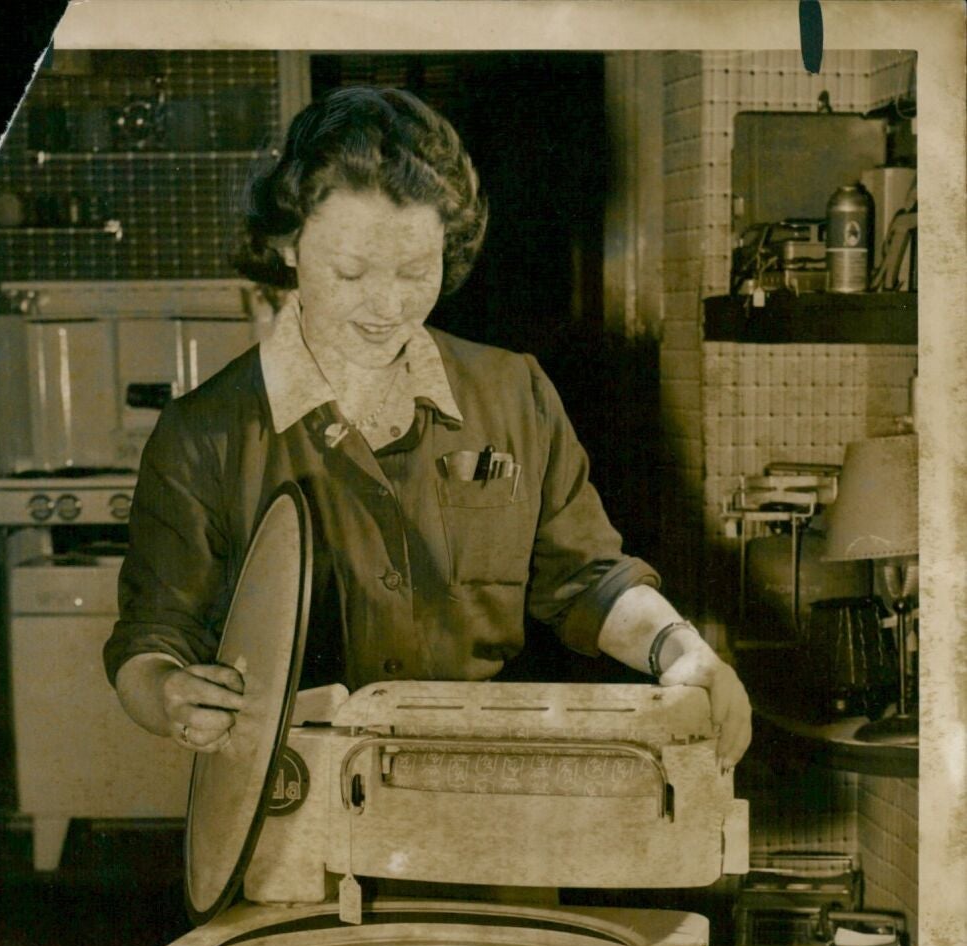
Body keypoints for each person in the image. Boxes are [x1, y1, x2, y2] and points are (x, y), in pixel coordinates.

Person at [105, 85, 751, 774]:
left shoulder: (514, 393)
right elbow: (153, 639)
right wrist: (167, 692)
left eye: (416, 270)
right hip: (289, 794)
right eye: (350, 272)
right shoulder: (205, 433)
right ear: (288, 245)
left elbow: (587, 580)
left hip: (484, 781)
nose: (387, 306)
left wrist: (681, 648)